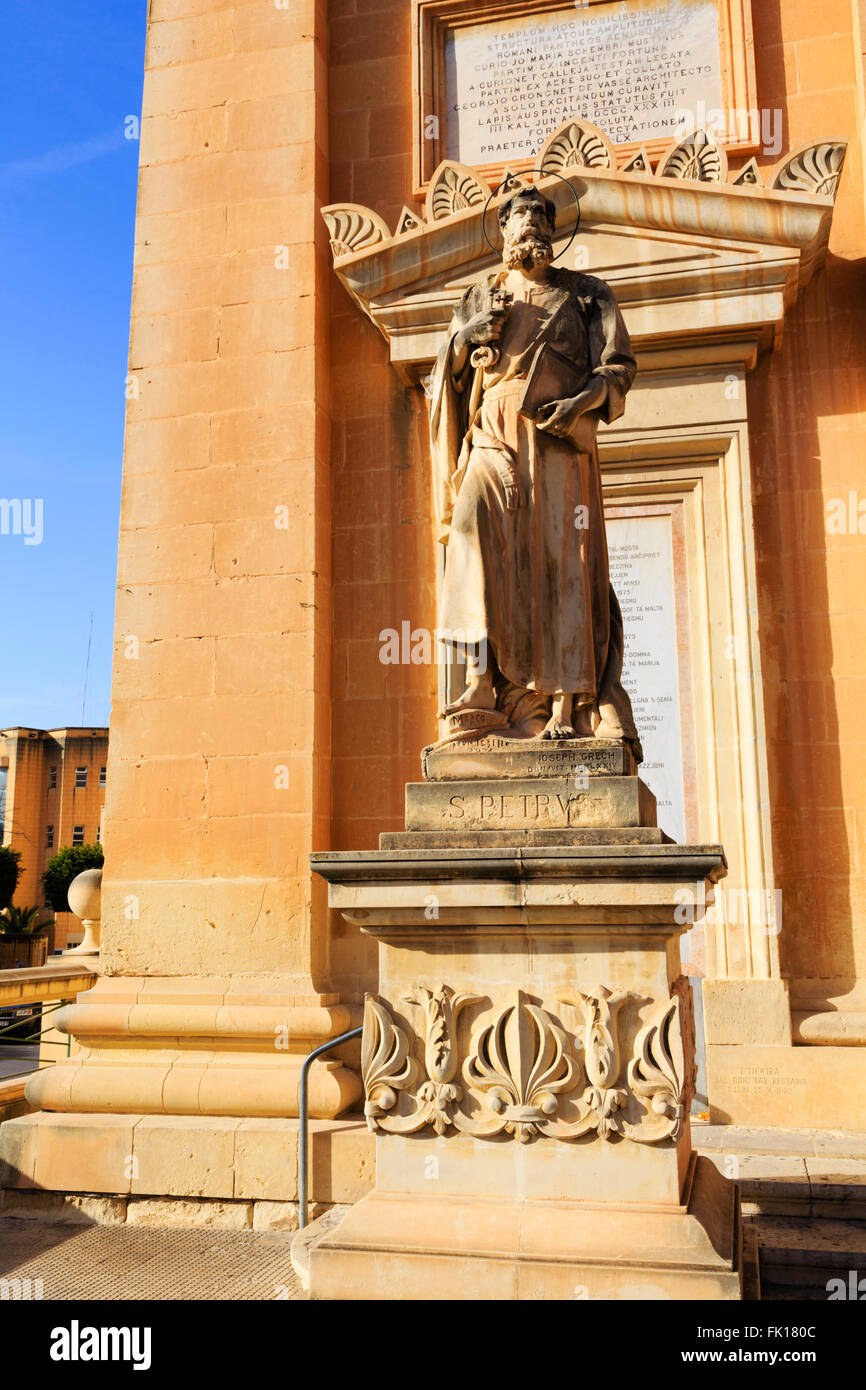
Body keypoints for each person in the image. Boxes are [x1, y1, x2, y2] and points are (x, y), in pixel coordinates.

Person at [428, 184, 642, 754]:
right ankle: (477, 690)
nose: (531, 225)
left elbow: (618, 368)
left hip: (557, 444)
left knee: (560, 564)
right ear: (502, 231)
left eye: (540, 216)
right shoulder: (481, 295)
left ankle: (559, 705)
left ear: (552, 229)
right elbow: (444, 376)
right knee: (470, 530)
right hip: (492, 438)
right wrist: (462, 342)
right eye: (520, 216)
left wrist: (583, 402)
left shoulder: (588, 295)